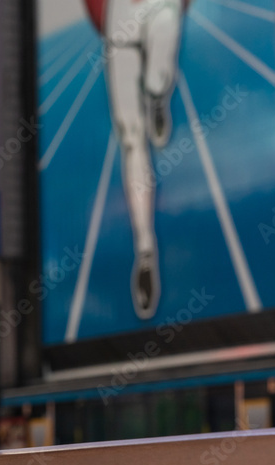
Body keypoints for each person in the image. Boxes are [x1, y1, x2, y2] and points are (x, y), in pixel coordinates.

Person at [85, 0, 186, 319]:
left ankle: (157, 96)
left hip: (160, 7)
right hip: (121, 19)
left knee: (157, 76)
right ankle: (145, 250)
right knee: (131, 136)